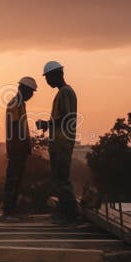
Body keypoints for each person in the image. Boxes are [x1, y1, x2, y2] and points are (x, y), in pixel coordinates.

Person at [35, 61, 78, 225]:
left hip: (62, 143)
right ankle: (64, 212)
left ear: (56, 75)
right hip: (59, 142)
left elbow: (65, 117)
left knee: (62, 179)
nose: (46, 81)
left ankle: (69, 214)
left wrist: (47, 124)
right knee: (59, 178)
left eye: (47, 78)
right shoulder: (64, 92)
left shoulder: (65, 92)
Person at [2, 76, 37, 220]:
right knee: (13, 179)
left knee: (16, 180)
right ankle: (8, 211)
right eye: (30, 92)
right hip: (16, 149)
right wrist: (19, 147)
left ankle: (11, 210)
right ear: (22, 89)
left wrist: (27, 146)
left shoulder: (20, 104)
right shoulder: (15, 104)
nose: (31, 95)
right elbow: (16, 129)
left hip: (19, 149)